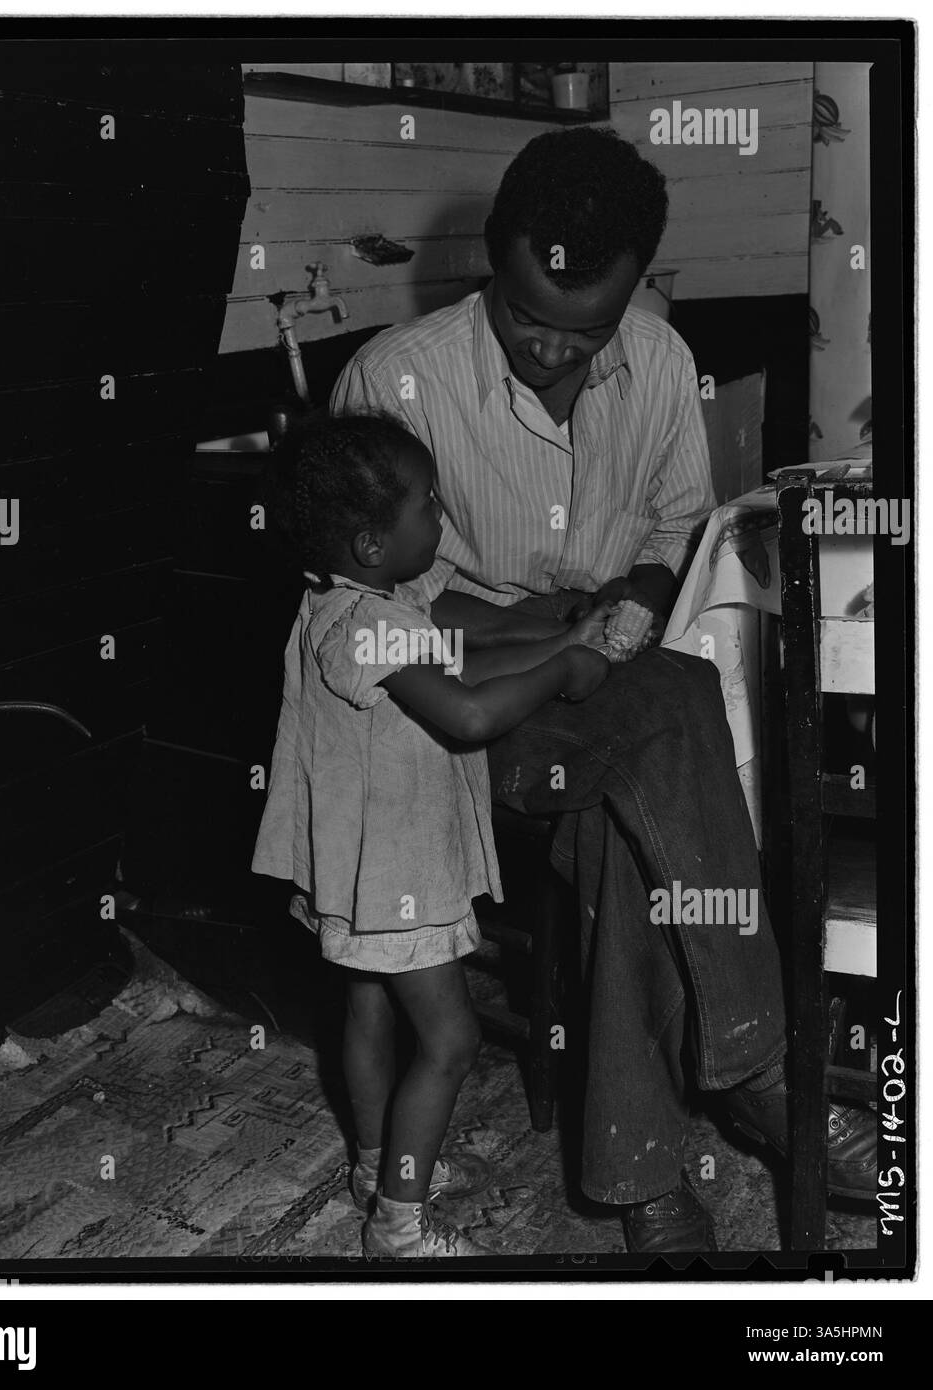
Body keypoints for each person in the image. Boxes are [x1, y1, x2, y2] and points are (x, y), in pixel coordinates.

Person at [331, 126, 876, 1252]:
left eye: (587, 331)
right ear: (492, 257)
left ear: (638, 287)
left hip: (599, 697)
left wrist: (630, 598)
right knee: (674, 703)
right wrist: (556, 625)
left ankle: (642, 1173)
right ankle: (757, 1069)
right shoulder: (393, 381)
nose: (550, 351)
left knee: (623, 825)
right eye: (526, 317)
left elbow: (675, 532)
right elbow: (384, 613)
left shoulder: (664, 364)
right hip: (448, 717)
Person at [251, 412, 614, 1257]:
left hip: (357, 866)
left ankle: (378, 1165)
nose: (443, 514)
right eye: (429, 503)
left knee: (369, 1007)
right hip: (398, 874)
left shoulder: (352, 600)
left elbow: (456, 655)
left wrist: (557, 633)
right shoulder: (364, 626)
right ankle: (398, 1228)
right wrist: (564, 668)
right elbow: (469, 711)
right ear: (373, 542)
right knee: (452, 1041)